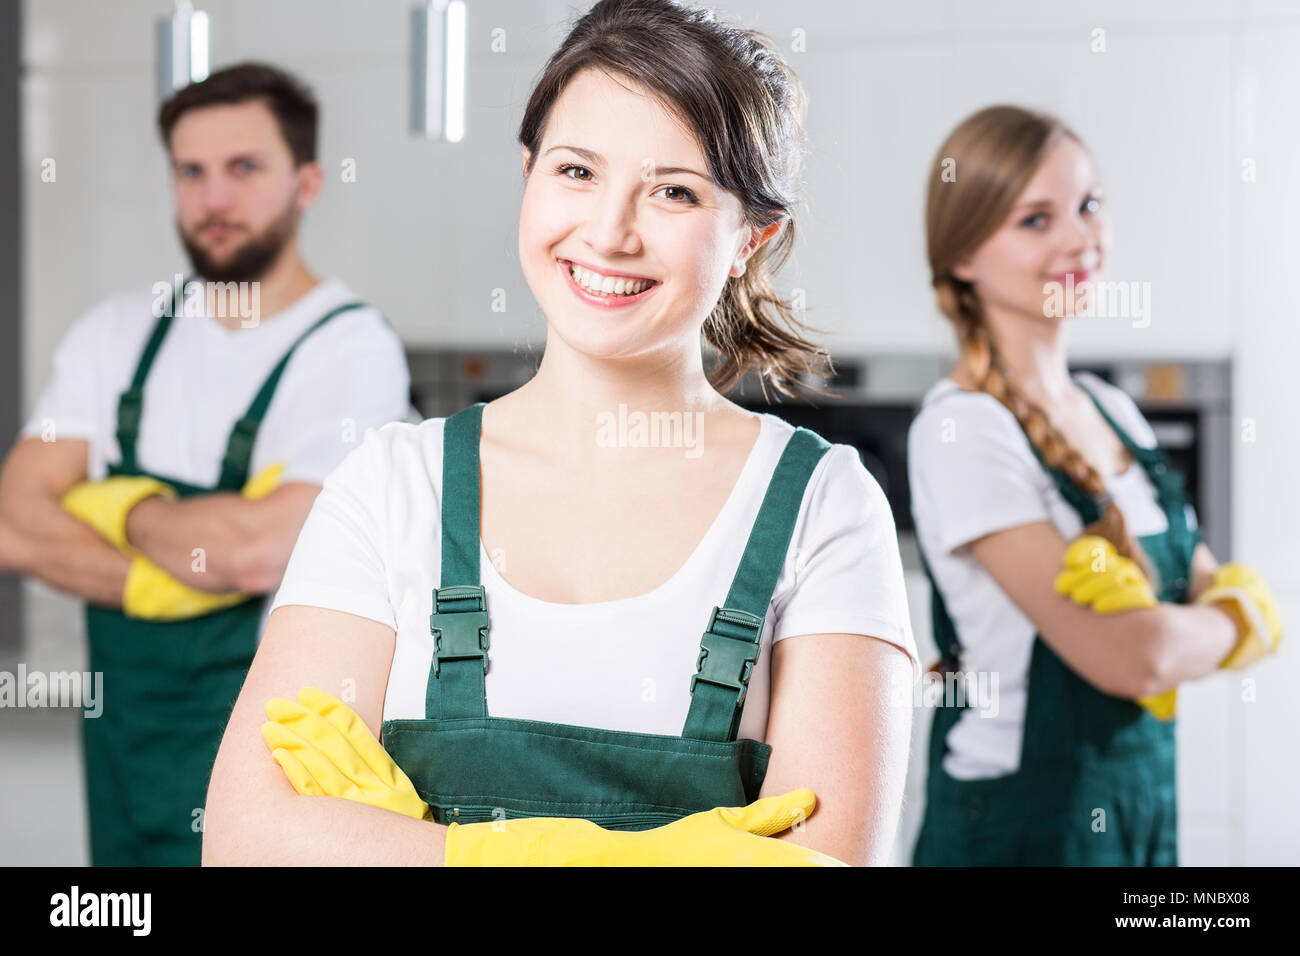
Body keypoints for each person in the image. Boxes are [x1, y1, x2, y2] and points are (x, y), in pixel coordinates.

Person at [204, 0, 919, 867]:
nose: (610, 232)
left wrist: (410, 849)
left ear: (749, 239)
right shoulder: (394, 486)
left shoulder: (822, 507)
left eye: (674, 191)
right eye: (577, 172)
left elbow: (830, 865)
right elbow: (247, 845)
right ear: (529, 171)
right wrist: (530, 856)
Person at [0, 62, 411, 866]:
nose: (213, 199)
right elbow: (14, 523)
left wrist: (115, 503)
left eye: (244, 168)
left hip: (268, 749)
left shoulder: (351, 349)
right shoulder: (115, 332)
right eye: (191, 171)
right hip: (126, 740)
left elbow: (256, 549)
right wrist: (172, 573)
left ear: (307, 181)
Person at [907, 105, 1283, 866]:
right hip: (1021, 828)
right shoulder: (964, 430)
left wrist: (1181, 629)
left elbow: (1186, 602)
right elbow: (1132, 660)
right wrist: (1244, 624)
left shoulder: (1113, 409)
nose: (1080, 239)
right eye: (1036, 220)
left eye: (1088, 205)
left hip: (1140, 810)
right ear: (965, 256)